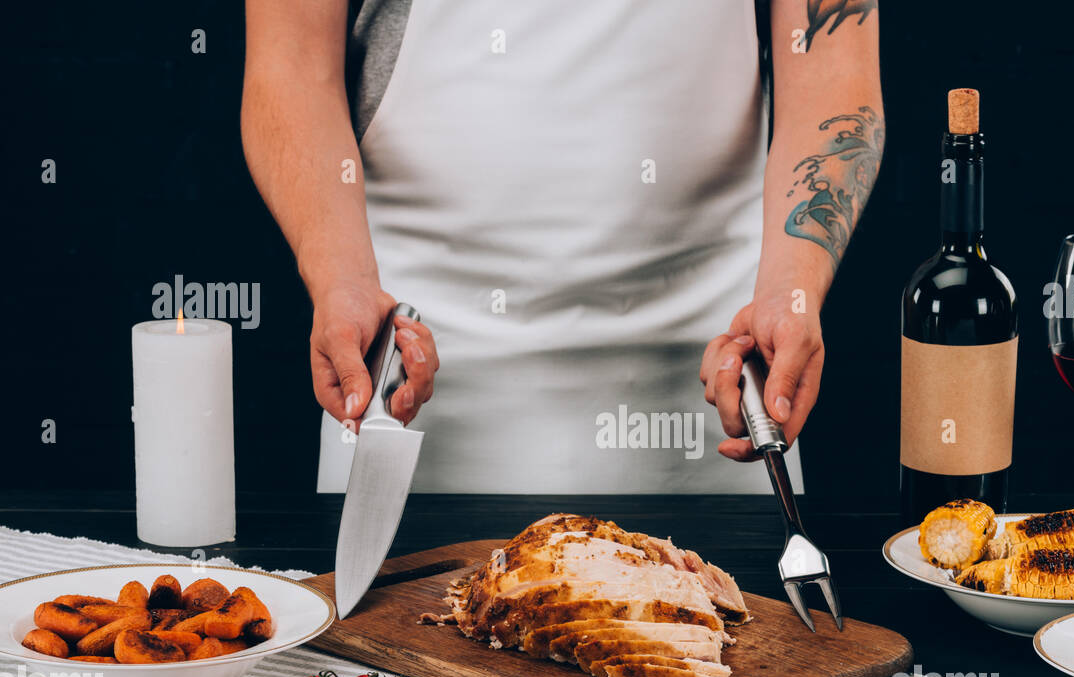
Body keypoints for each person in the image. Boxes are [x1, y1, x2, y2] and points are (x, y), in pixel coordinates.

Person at [242, 0, 883, 493]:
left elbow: (833, 68)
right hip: (409, 390)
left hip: (715, 396)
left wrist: (790, 288)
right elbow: (289, 66)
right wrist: (339, 280)